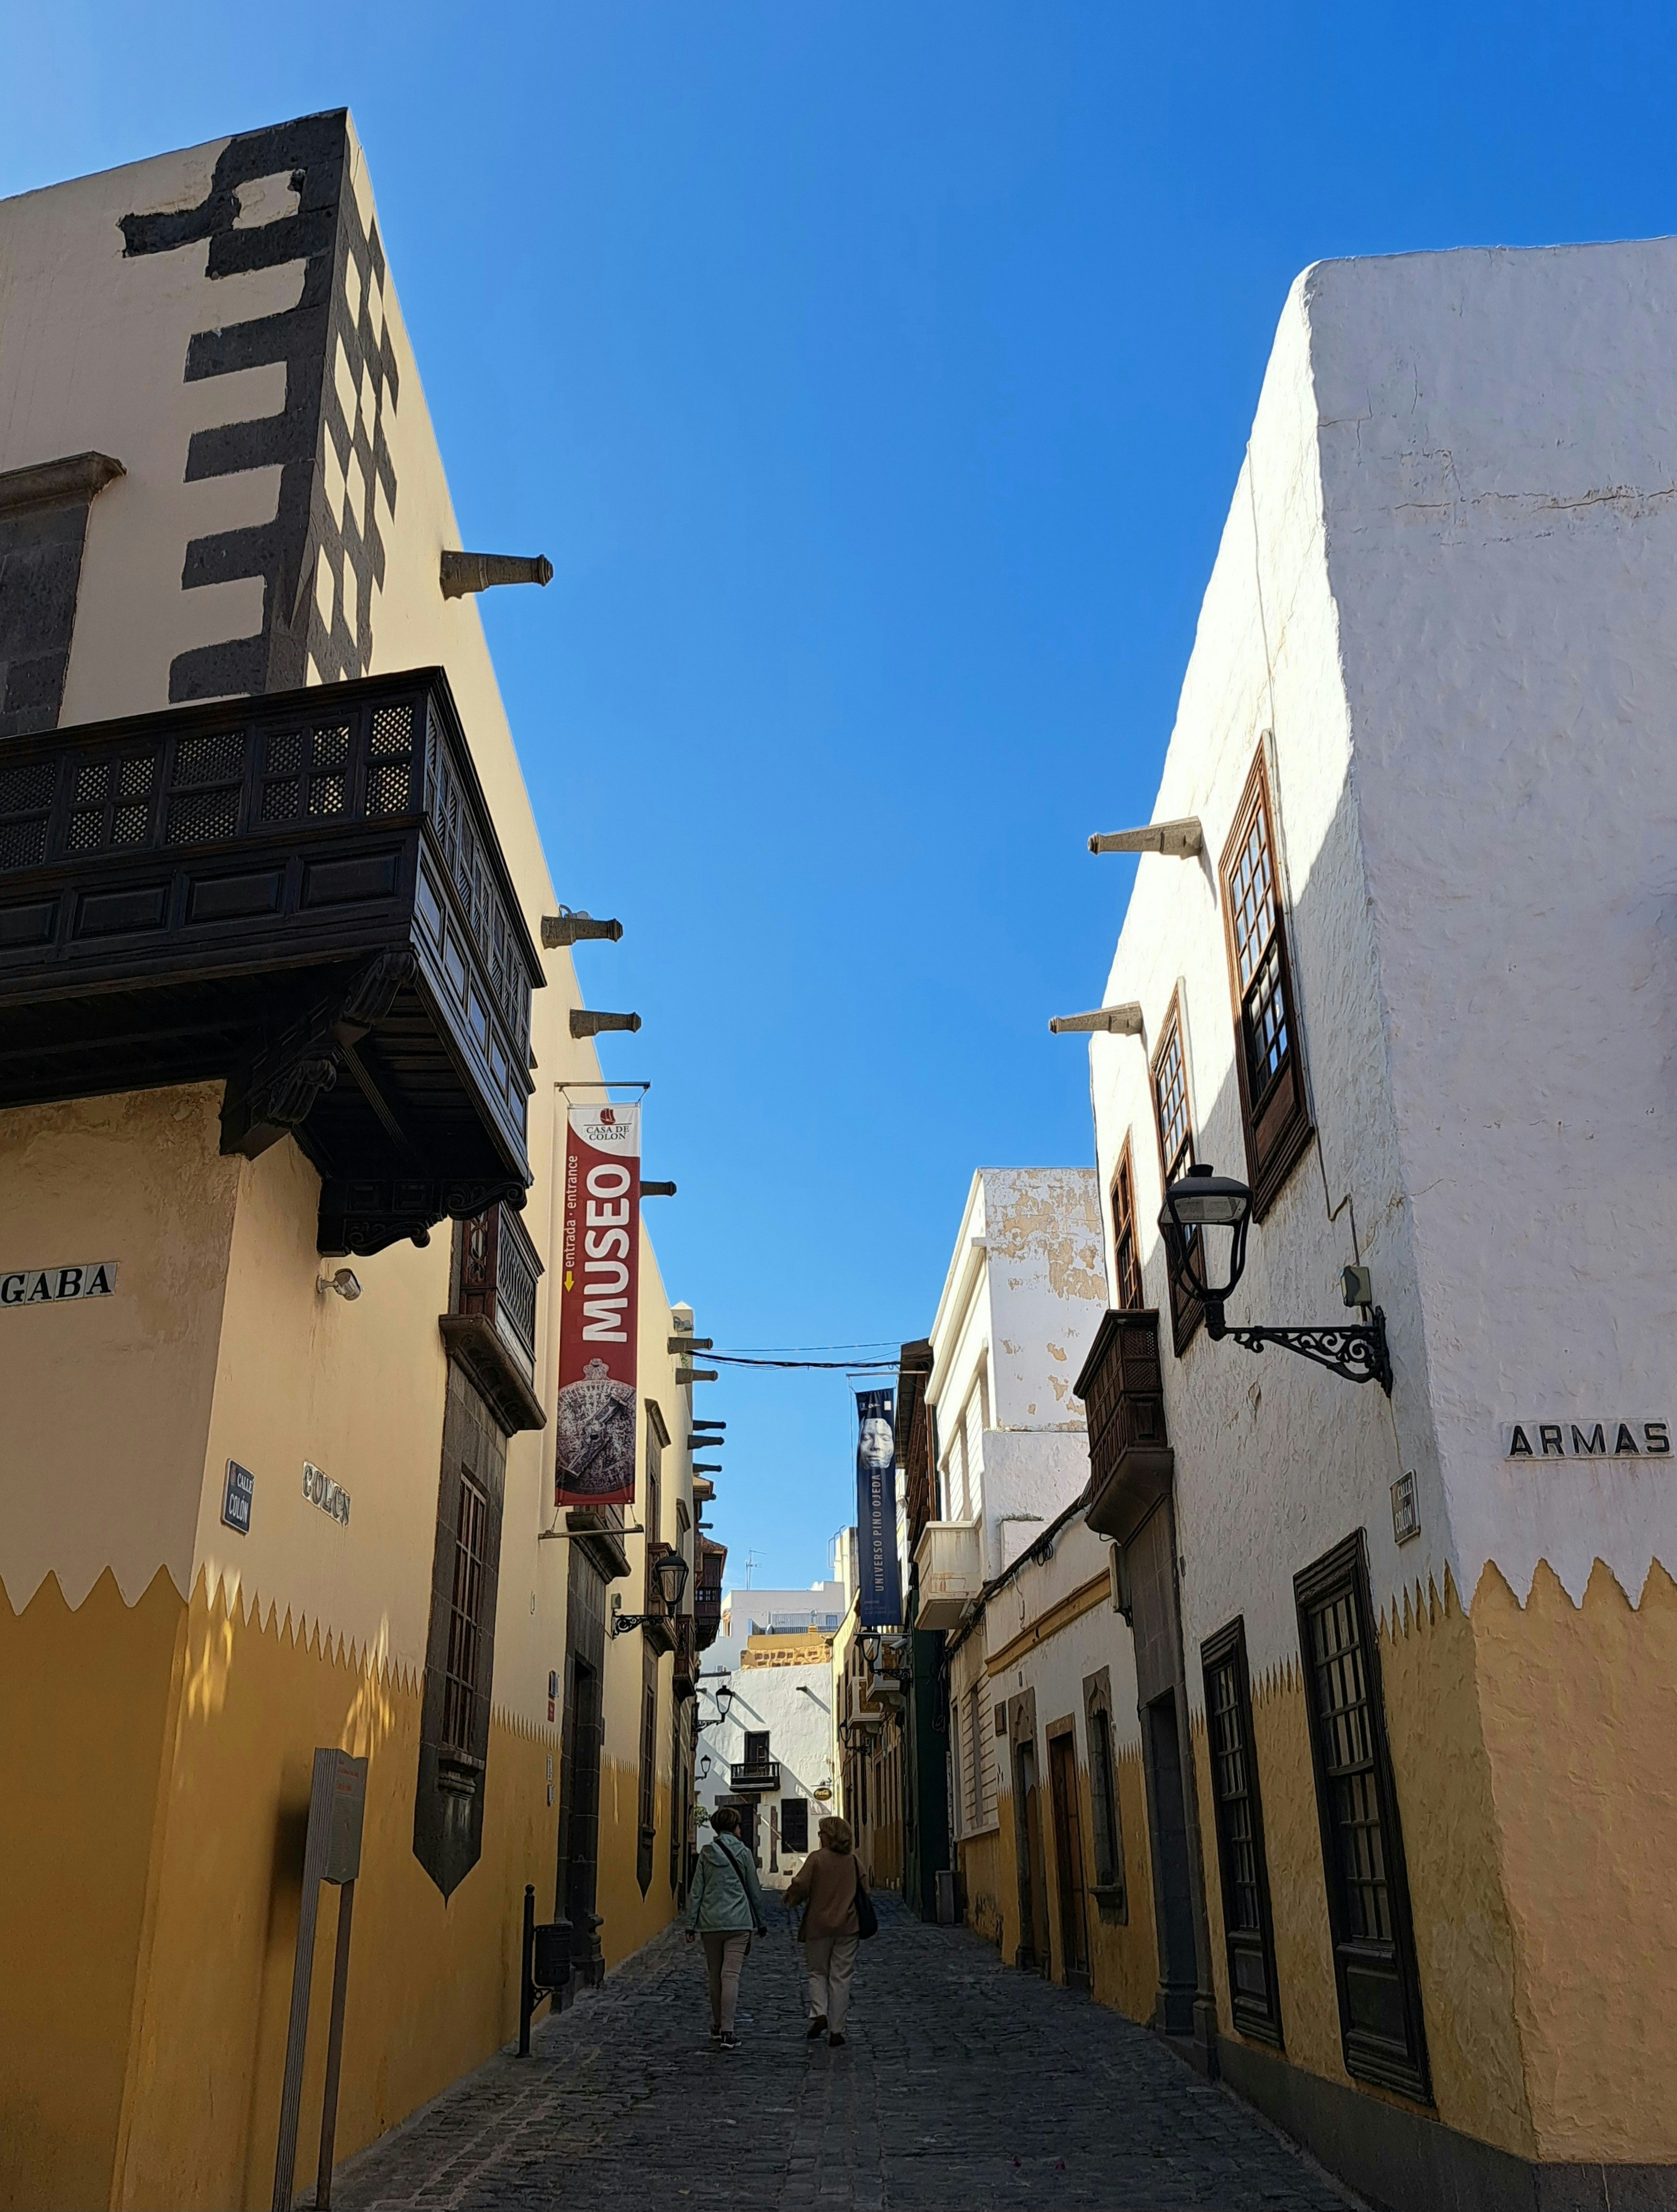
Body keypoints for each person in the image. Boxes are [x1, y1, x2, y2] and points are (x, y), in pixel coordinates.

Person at [685, 1806, 767, 2050]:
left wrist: (691, 1923)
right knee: (730, 1975)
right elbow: (754, 1891)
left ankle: (717, 2025)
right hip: (739, 1923)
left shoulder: (707, 1853)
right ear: (734, 1827)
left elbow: (696, 1890)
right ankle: (728, 2030)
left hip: (710, 1923)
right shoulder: (744, 1853)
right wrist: (760, 1922)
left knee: (715, 1975)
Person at [783, 1814, 861, 2046]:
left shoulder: (816, 1860)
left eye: (821, 1833)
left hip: (818, 1927)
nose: (819, 1837)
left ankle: (820, 2013)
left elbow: (800, 1885)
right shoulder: (854, 1862)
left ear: (829, 1836)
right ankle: (837, 2030)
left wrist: (791, 1897)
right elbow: (865, 1891)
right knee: (842, 1977)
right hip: (848, 1927)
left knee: (818, 1972)